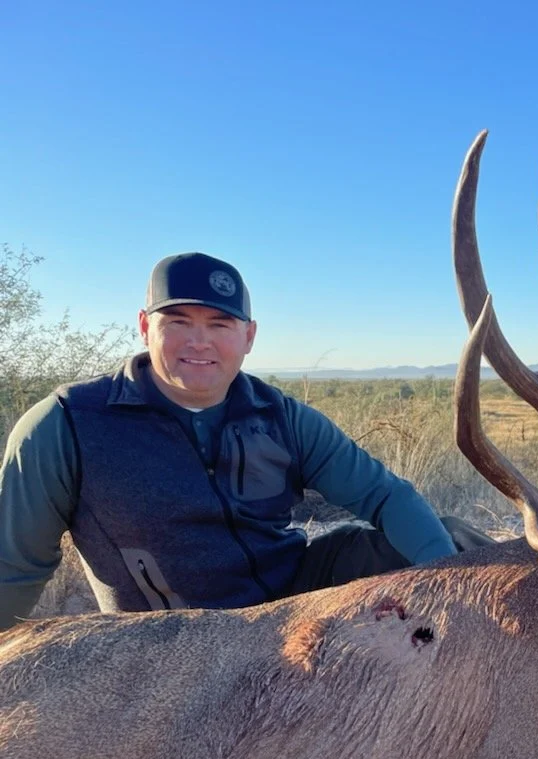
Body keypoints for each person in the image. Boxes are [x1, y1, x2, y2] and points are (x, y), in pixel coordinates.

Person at [0, 252, 490, 630]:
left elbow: (385, 496)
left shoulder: (281, 416)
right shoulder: (66, 424)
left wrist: (446, 583)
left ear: (249, 336)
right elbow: (14, 567)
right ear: (146, 326)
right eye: (178, 322)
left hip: (295, 594)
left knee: (457, 544)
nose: (199, 341)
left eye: (220, 324)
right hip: (172, 635)